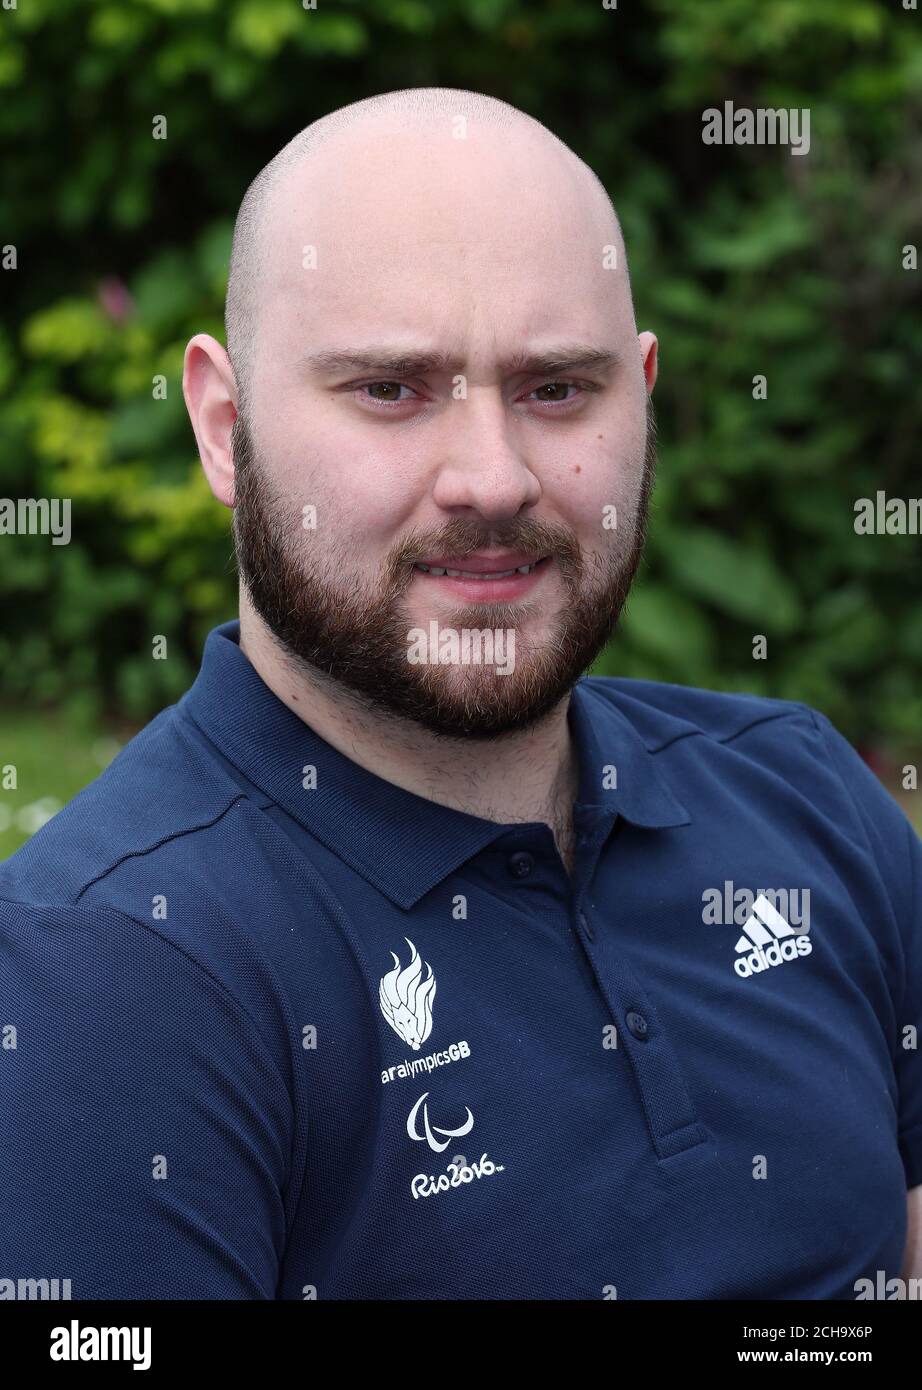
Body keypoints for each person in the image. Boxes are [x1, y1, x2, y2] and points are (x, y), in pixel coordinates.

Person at [1, 87, 919, 1300]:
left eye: (557, 389)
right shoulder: (103, 976)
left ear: (642, 396)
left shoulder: (802, 794)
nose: (491, 477)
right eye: (391, 388)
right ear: (225, 427)